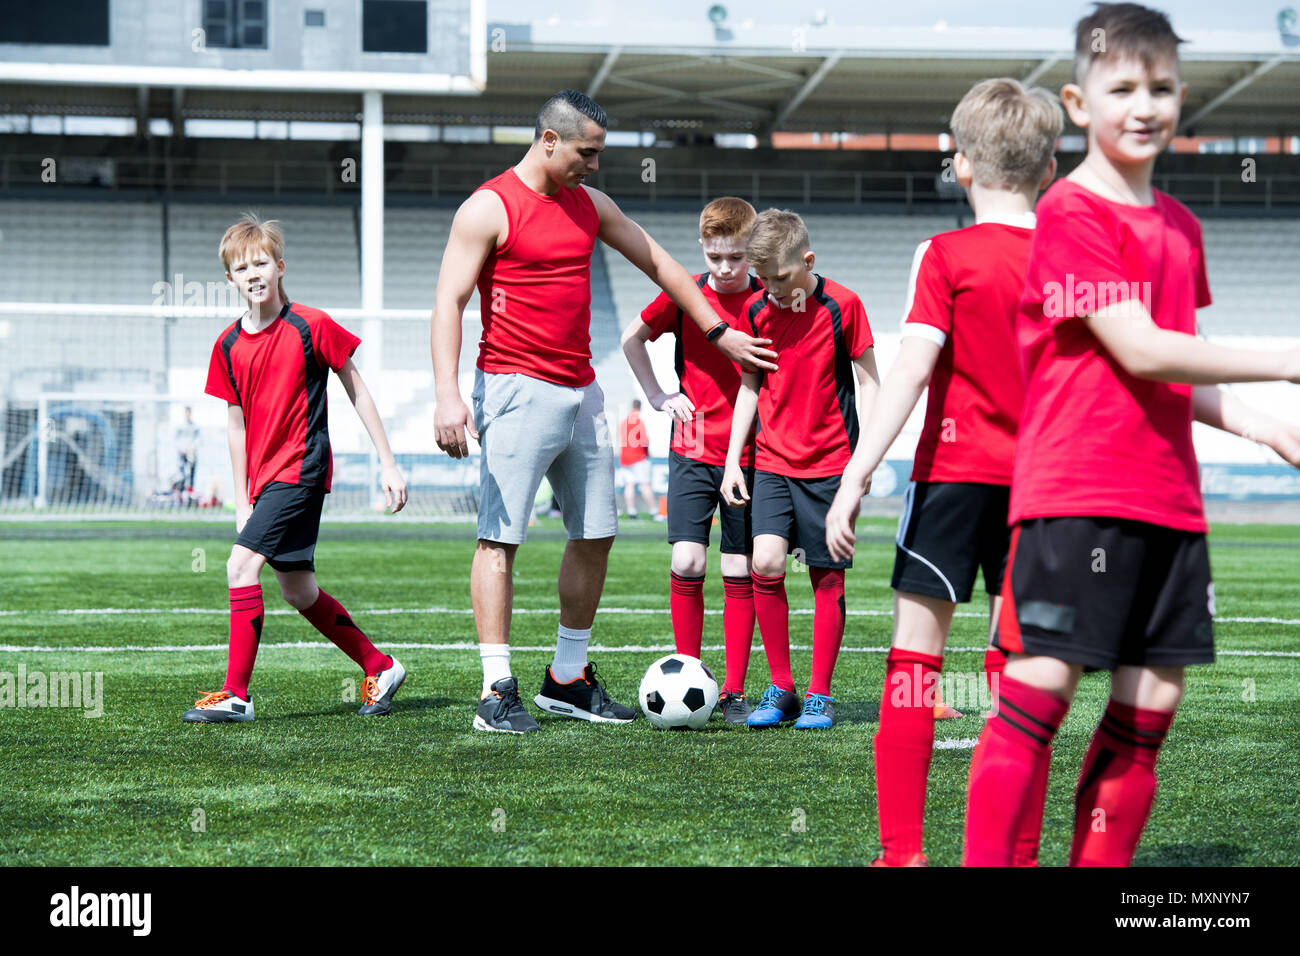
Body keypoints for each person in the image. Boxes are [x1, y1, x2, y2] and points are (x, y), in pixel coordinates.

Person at [962, 2, 1300, 866]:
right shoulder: (1072, 213)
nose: (1143, 104)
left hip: (1171, 505)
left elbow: (1170, 374)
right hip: (1078, 494)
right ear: (1079, 103)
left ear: (1183, 95)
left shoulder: (1183, 227)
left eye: (1161, 87)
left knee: (1150, 712)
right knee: (1037, 697)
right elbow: (1140, 347)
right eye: (1122, 88)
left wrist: (1266, 428)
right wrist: (1286, 363)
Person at [431, 90, 778, 734]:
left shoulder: (590, 205)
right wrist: (449, 395)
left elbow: (659, 262)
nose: (594, 165)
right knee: (500, 537)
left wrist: (717, 328)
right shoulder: (488, 207)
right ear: (550, 139)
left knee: (595, 533)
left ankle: (567, 676)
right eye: (587, 152)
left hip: (582, 388)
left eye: (599, 153)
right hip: (511, 385)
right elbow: (448, 301)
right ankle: (494, 687)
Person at [824, 77, 1063, 866]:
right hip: (1046, 492)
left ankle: (903, 855)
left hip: (954, 480)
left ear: (960, 165)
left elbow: (910, 373)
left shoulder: (944, 254)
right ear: (1051, 167)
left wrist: (858, 474)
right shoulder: (1073, 257)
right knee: (1020, 679)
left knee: (915, 666)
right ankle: (1013, 857)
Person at [185, 214, 409, 723]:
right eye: (242, 268)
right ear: (230, 280)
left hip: (302, 471)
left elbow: (357, 389)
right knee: (297, 589)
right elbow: (236, 426)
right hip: (265, 484)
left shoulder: (312, 325)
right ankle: (381, 666)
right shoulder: (226, 345)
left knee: (239, 566)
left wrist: (388, 463)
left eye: (262, 262)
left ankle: (236, 695)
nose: (253, 273)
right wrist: (243, 498)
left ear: (280, 267)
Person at [721, 209, 880, 730]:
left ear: (807, 261)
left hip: (833, 464)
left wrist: (867, 459)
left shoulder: (845, 306)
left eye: (779, 278)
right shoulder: (753, 310)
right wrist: (731, 461)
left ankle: (819, 694)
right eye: (761, 278)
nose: (768, 288)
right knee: (764, 563)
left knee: (825, 575)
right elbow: (750, 386)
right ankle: (784, 687)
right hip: (771, 460)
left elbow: (871, 383)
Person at [622, 196, 762, 723]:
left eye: (736, 257)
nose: (725, 269)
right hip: (690, 449)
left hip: (748, 454)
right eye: (715, 257)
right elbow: (631, 339)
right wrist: (658, 396)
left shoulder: (767, 300)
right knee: (686, 561)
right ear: (702, 249)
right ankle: (691, 672)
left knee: (738, 567)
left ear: (752, 252)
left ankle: (732, 690)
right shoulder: (684, 295)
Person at [617, 400, 657, 518]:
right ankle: (654, 511)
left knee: (629, 485)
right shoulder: (638, 421)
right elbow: (644, 440)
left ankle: (631, 511)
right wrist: (648, 453)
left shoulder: (624, 422)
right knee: (645, 485)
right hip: (638, 457)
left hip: (625, 458)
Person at [175, 405, 200, 505]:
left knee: (191, 476)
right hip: (182, 455)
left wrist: (192, 448)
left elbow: (198, 439)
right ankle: (180, 498)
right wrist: (182, 449)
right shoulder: (180, 426)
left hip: (191, 454)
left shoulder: (195, 426)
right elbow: (175, 440)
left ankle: (190, 498)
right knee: (182, 475)